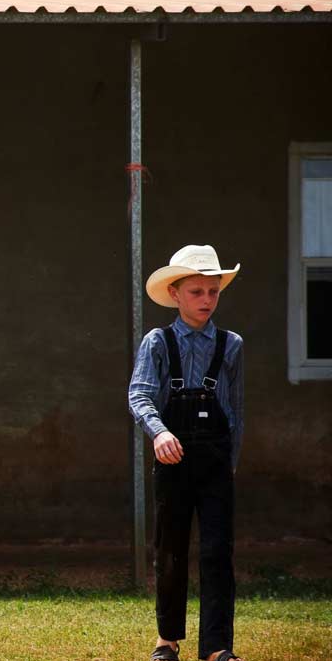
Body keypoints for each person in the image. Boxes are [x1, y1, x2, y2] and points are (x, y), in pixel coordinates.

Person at [129, 245, 244, 661]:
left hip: (215, 461)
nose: (206, 300)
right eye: (196, 292)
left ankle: (216, 647)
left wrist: (230, 464)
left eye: (213, 292)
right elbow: (139, 394)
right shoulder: (157, 342)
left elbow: (235, 410)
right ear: (175, 294)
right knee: (170, 550)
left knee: (217, 552)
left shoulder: (231, 345)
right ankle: (167, 641)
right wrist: (159, 432)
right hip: (172, 460)